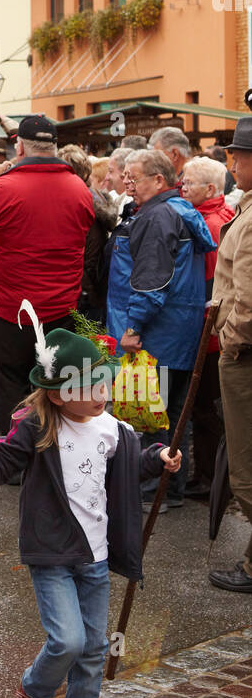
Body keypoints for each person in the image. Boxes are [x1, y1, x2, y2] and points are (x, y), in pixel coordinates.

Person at [0, 324, 180, 698]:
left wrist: (158, 459)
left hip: (95, 557)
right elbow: (1, 462)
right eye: (91, 385)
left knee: (95, 646)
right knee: (68, 641)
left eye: (103, 381)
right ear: (58, 394)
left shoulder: (111, 428)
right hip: (53, 554)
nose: (103, 391)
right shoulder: (40, 424)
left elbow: (130, 466)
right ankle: (33, 693)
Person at [0, 114, 94, 436]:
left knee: (13, 387)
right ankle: (53, 448)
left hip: (14, 312)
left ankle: (16, 457)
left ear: (19, 147)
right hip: (61, 310)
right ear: (54, 147)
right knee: (54, 386)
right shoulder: (79, 188)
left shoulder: (2, 187)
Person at [106, 149, 215, 507]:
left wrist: (134, 327)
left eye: (134, 177)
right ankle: (171, 489)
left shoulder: (159, 216)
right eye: (126, 177)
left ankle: (156, 491)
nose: (127, 183)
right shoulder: (181, 210)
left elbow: (152, 281)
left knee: (154, 416)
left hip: (160, 332)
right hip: (180, 330)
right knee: (171, 416)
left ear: (159, 180)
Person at [209, 114, 252, 592]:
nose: (232, 161)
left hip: (245, 355)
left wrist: (232, 341)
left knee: (245, 471)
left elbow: (249, 297)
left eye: (239, 154)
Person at [179, 156, 235, 498]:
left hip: (208, 333)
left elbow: (211, 286)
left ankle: (211, 480)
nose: (182, 188)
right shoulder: (215, 216)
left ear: (211, 189)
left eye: (188, 184)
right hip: (209, 330)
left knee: (207, 410)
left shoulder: (210, 223)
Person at [59, 144, 118, 317]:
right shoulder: (94, 196)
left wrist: (87, 292)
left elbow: (88, 258)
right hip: (91, 290)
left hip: (82, 293)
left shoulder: (79, 200)